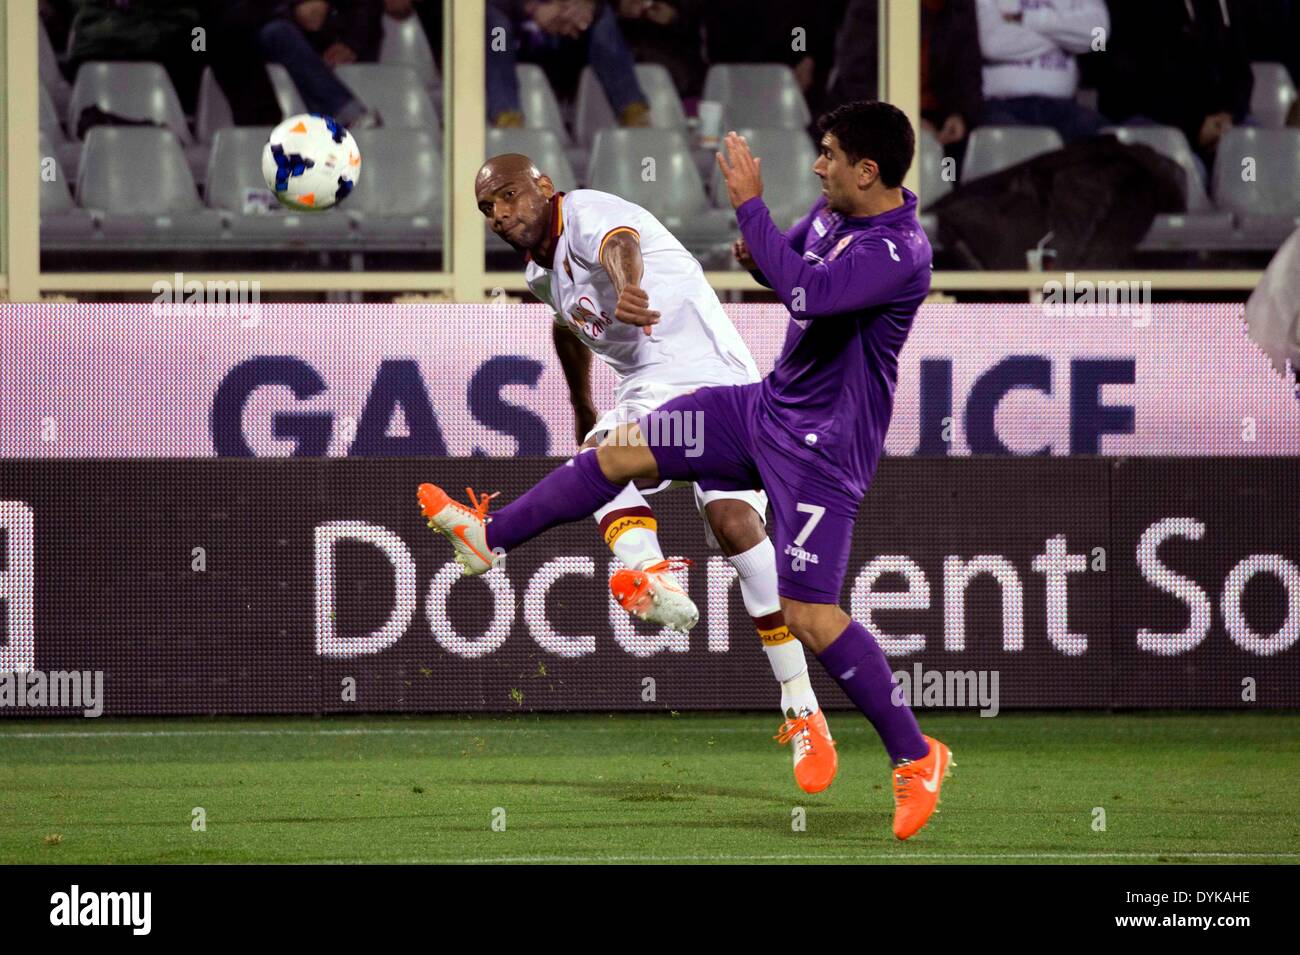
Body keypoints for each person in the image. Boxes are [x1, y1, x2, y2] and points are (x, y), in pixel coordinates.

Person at [421, 102, 953, 840]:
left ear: (868, 170)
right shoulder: (835, 220)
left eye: (829, 155)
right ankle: (491, 535)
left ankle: (915, 753)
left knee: (810, 614)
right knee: (617, 454)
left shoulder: (899, 253)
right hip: (759, 407)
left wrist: (748, 210)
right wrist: (757, 246)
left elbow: (797, 289)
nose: (819, 165)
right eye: (487, 207)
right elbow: (779, 266)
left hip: (822, 448)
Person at [466, 154, 839, 795]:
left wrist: (629, 286)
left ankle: (798, 702)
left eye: (506, 196)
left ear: (543, 187)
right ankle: (793, 700)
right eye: (487, 209)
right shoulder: (536, 273)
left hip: (709, 373)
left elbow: (620, 244)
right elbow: (567, 326)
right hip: (654, 382)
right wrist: (582, 398)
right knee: (701, 505)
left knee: (728, 525)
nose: (500, 214)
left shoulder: (586, 211)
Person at [487, 0, 649, 128]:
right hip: (514, 36)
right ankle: (506, 115)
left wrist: (585, 7)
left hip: (570, 30)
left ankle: (632, 110)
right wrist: (531, 7)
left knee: (603, 19)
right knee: (496, 28)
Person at [974, 0, 1109, 143]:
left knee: (1110, 147)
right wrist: (1070, 38)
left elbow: (1098, 36)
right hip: (1002, 107)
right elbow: (992, 45)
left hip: (1064, 108)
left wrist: (1022, 19)